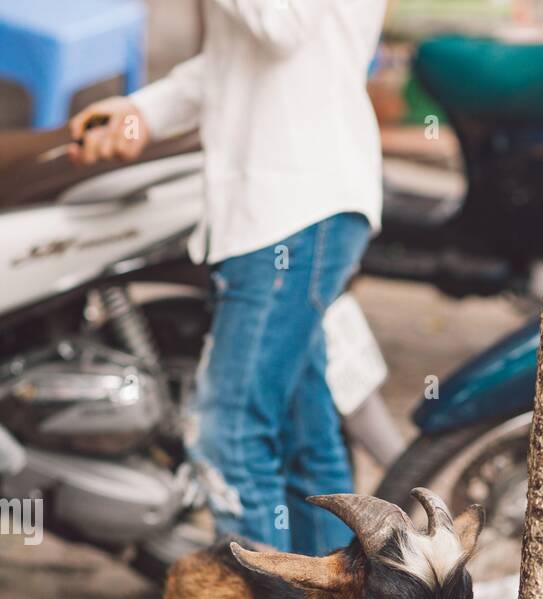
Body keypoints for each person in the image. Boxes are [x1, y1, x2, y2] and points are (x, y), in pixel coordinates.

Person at [70, 1, 386, 555]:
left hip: (296, 211)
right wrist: (141, 112)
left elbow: (283, 25)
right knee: (304, 441)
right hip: (266, 214)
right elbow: (235, 60)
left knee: (229, 435)